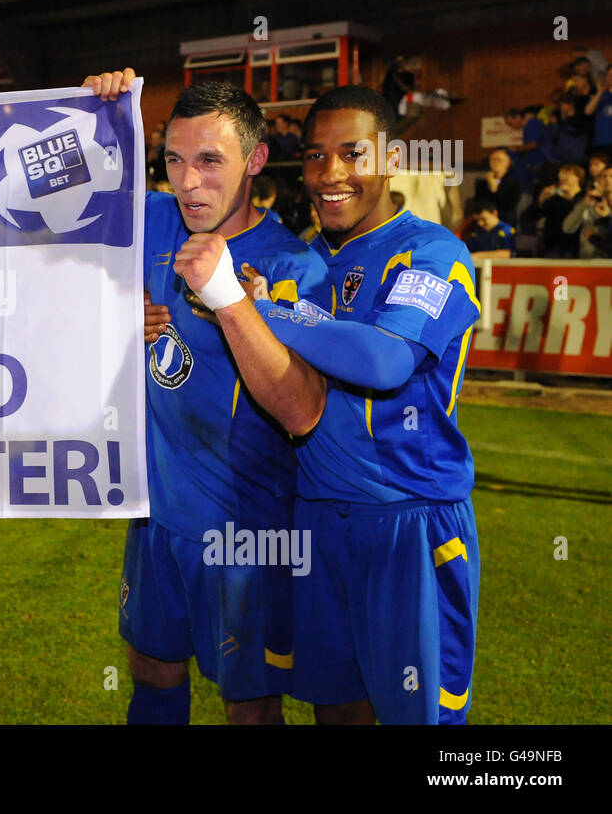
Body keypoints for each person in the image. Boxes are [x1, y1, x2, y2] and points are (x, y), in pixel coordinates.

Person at [178, 85, 481, 724]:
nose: (332, 174)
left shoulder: (431, 252)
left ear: (393, 158)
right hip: (314, 517)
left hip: (406, 517)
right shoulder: (301, 260)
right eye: (316, 157)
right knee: (337, 713)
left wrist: (257, 309)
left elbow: (385, 362)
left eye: (353, 153)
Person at [85, 71, 330, 725]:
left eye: (209, 162)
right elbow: (33, 223)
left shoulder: (293, 267)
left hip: (245, 536)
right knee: (152, 672)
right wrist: (94, 117)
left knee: (248, 709)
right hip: (155, 516)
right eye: (173, 161)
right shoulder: (152, 220)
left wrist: (231, 302)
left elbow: (301, 411)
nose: (188, 183)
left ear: (254, 161)